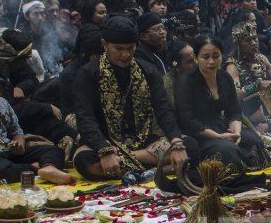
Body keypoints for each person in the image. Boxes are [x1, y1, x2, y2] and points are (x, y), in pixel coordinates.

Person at [72, 15, 188, 179]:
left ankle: (127, 167)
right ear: (105, 45)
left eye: (130, 48)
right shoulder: (87, 74)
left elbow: (163, 110)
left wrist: (176, 143)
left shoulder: (148, 71)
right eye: (119, 48)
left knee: (189, 147)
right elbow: (85, 118)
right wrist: (104, 150)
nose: (126, 54)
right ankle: (155, 170)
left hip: (144, 144)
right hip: (105, 143)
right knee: (85, 161)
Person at [174, 34, 258, 170]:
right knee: (228, 151)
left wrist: (236, 132)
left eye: (216, 56)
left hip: (222, 126)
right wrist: (219, 136)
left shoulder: (225, 77)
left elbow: (234, 110)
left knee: (254, 141)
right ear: (196, 58)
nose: (211, 61)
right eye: (205, 57)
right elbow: (187, 121)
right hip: (199, 134)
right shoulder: (186, 82)